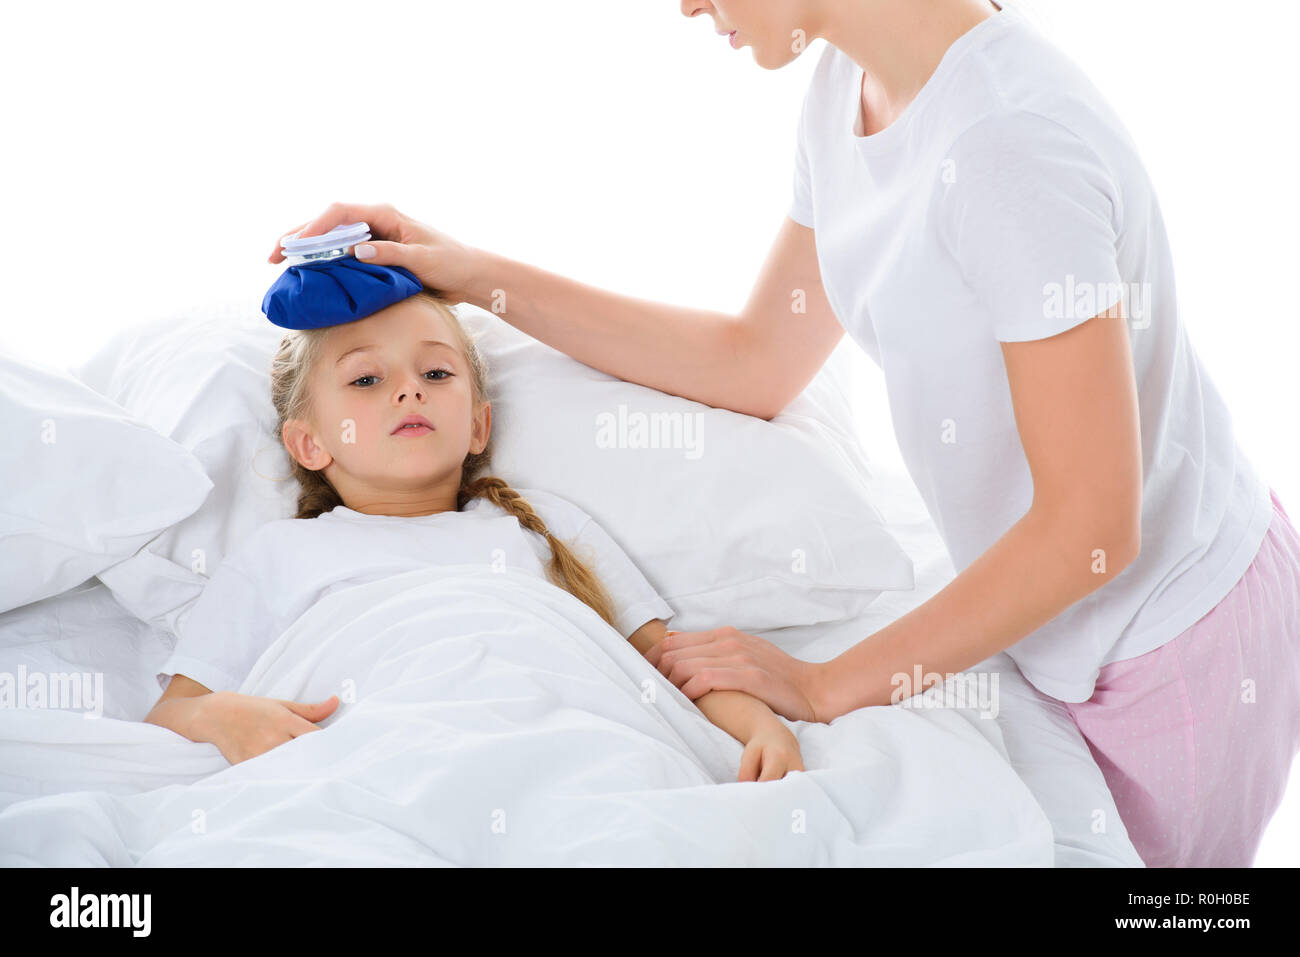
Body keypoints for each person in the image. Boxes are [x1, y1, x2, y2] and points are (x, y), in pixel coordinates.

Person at [266, 0, 1300, 866]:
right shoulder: (847, 89)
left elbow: (1092, 529)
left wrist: (820, 686)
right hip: (1051, 624)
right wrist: (465, 268)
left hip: (1172, 649)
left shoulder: (1007, 147)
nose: (683, 4)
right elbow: (756, 361)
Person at [144, 290, 805, 782]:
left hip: (564, 751)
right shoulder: (279, 555)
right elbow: (174, 714)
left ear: (479, 427)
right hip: (371, 762)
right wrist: (226, 716)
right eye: (367, 379)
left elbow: (670, 658)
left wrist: (760, 725)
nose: (409, 391)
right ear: (308, 441)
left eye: (436, 374)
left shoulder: (541, 526)